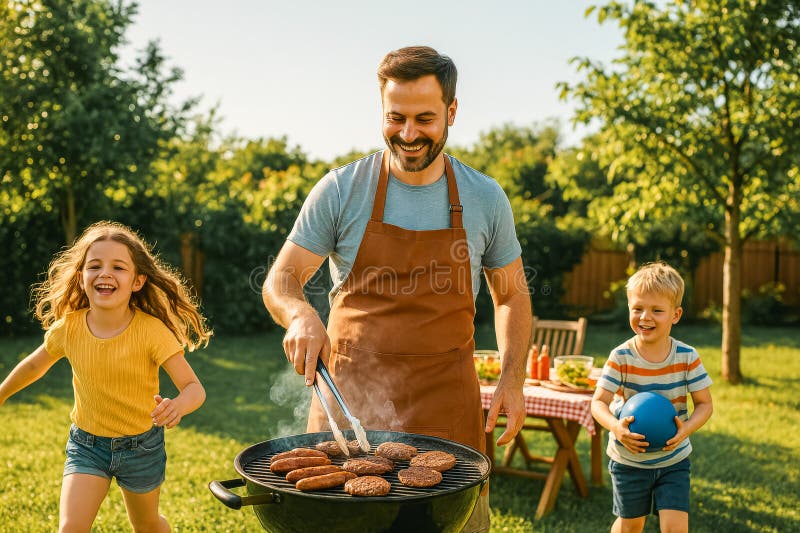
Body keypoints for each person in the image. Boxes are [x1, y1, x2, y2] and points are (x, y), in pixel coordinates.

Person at [262, 45, 532, 532]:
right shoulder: (341, 190)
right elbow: (282, 279)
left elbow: (511, 295)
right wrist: (299, 314)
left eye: (424, 118)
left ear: (452, 112)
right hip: (349, 406)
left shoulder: (485, 197)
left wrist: (512, 379)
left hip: (447, 404)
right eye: (396, 118)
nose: (408, 135)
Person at [0, 221, 212, 533]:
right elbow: (34, 366)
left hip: (141, 448)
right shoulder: (69, 328)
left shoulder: (152, 332)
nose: (105, 273)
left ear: (137, 281)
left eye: (119, 267)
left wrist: (178, 405)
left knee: (147, 524)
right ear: (82, 277)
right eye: (94, 266)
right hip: (86, 445)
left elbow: (194, 388)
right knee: (70, 527)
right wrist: (2, 393)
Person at [591, 262, 713, 533]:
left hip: (673, 460)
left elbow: (705, 404)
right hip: (629, 460)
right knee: (631, 526)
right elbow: (598, 402)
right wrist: (616, 428)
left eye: (657, 310)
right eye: (637, 309)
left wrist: (686, 429)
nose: (645, 317)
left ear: (676, 314)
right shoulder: (620, 357)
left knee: (675, 528)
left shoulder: (687, 357)